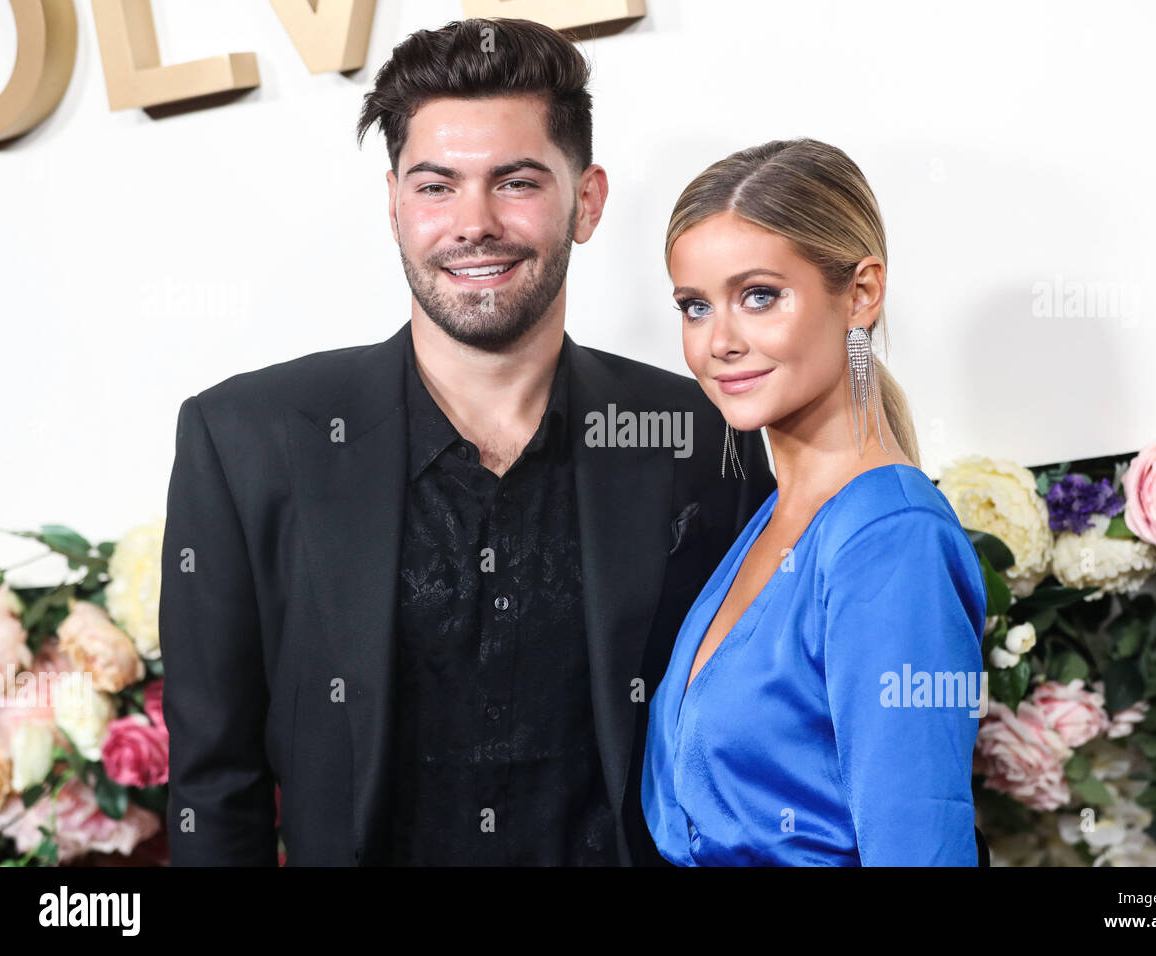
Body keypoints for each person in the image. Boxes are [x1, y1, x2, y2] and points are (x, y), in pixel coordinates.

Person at [159, 18, 775, 866]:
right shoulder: (246, 442)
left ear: (586, 201)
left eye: (516, 182)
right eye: (435, 186)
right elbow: (213, 787)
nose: (472, 223)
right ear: (394, 205)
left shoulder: (701, 434)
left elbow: (741, 746)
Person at [641, 138, 990, 865]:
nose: (720, 342)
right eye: (695, 307)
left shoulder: (890, 538)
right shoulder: (773, 518)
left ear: (860, 294)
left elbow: (919, 847)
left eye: (759, 296)